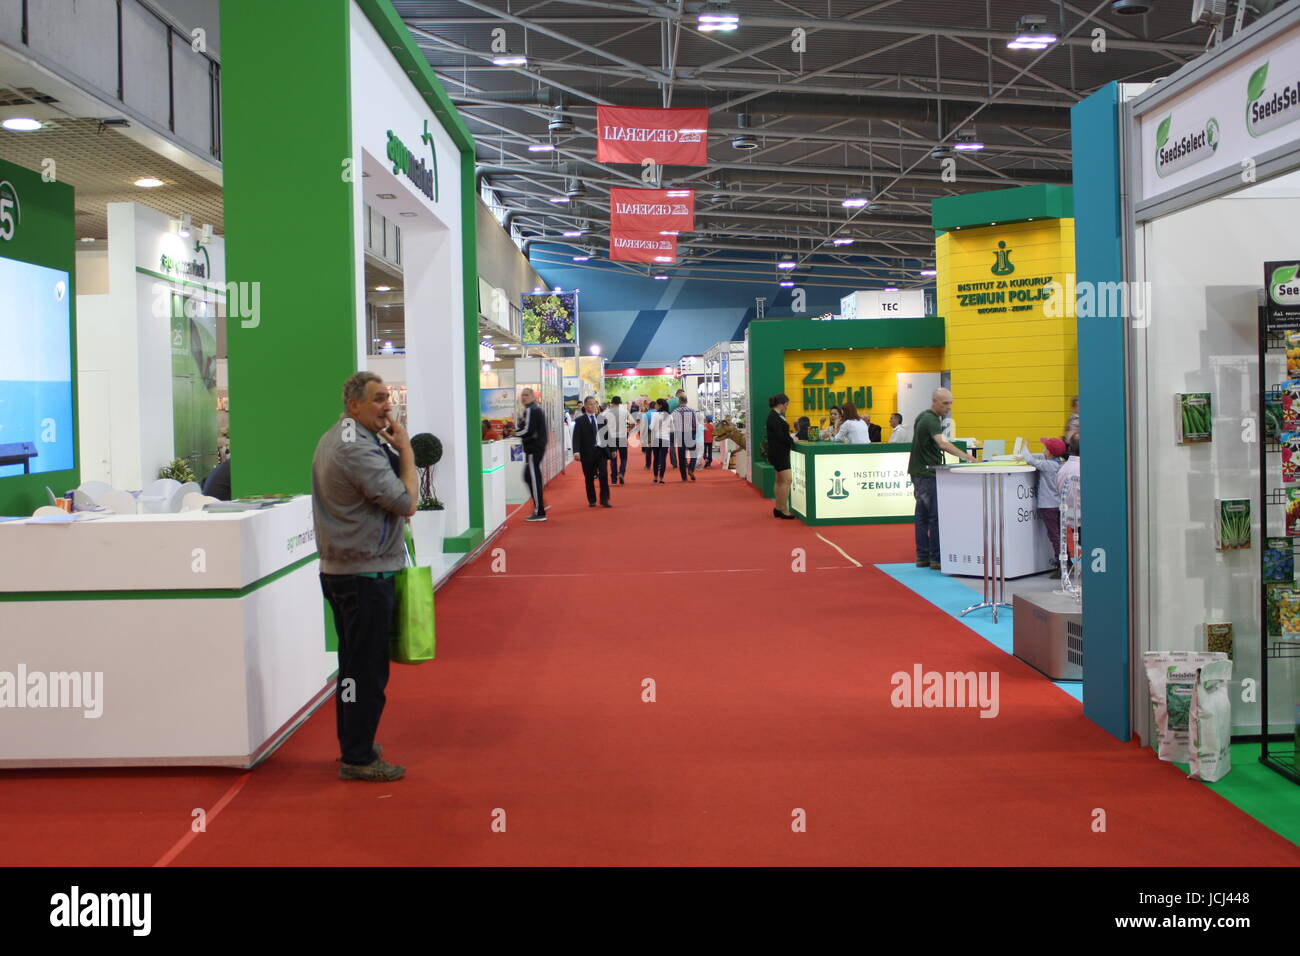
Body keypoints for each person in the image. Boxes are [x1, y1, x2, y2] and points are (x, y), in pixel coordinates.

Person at [312, 371, 417, 782]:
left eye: (387, 398)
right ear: (352, 404)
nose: (385, 406)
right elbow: (405, 501)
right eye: (376, 399)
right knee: (366, 670)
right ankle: (357, 756)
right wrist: (405, 451)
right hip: (364, 574)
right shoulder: (355, 449)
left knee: (353, 666)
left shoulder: (341, 438)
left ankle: (354, 744)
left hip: (348, 570)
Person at [907, 388, 976, 570]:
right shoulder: (931, 420)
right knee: (934, 517)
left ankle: (922, 556)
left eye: (950, 403)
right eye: (945, 403)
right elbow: (942, 444)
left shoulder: (922, 417)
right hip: (928, 474)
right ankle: (936, 558)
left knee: (922, 516)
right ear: (935, 401)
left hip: (918, 472)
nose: (948, 407)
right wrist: (967, 456)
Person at [1026, 437, 1068, 575]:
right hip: (1059, 504)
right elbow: (1038, 458)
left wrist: (1024, 447)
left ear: (1049, 453)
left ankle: (1061, 564)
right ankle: (1065, 560)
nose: (1043, 450)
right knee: (1060, 534)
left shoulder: (1048, 466)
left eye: (1045, 448)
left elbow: (1031, 460)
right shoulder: (1060, 464)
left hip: (1048, 505)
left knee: (1053, 535)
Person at [515, 387, 549, 522]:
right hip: (535, 447)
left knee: (533, 478)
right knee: (529, 476)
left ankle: (539, 511)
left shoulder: (531, 410)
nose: (524, 397)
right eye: (522, 395)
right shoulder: (532, 409)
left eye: (526, 395)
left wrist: (513, 433)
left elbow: (528, 430)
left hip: (534, 448)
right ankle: (540, 503)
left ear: (533, 397)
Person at [572, 396, 612, 508]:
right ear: (585, 406)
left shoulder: (601, 418)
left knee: (603, 475)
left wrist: (612, 449)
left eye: (594, 404)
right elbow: (576, 437)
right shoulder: (580, 421)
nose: (593, 406)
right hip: (587, 453)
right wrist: (576, 452)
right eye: (590, 404)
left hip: (601, 451)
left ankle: (604, 499)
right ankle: (592, 499)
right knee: (589, 477)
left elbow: (607, 435)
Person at [767, 393, 796, 519]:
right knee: (787, 480)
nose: (787, 407)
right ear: (781, 404)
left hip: (777, 452)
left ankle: (778, 508)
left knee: (780, 481)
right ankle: (783, 509)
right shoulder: (775, 417)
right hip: (779, 452)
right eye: (786, 404)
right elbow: (781, 436)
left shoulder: (774, 416)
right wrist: (792, 440)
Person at [671, 393, 701, 482]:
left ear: (679, 402)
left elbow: (671, 424)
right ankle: (691, 469)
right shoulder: (692, 411)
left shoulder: (674, 412)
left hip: (679, 435)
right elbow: (696, 424)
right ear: (687, 401)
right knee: (693, 453)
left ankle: (684, 477)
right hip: (690, 433)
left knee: (681, 456)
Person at [603, 395, 630, 485]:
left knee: (613, 459)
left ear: (612, 402)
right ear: (620, 402)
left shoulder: (607, 412)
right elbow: (633, 422)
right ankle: (621, 473)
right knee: (624, 458)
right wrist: (628, 429)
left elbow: (602, 423)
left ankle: (614, 479)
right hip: (622, 436)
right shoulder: (624, 411)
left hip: (611, 437)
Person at [649, 398, 673, 482]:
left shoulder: (655, 415)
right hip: (665, 439)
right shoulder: (669, 416)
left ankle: (655, 477)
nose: (655, 405)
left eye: (656, 404)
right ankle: (661, 478)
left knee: (656, 458)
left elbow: (651, 427)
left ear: (660, 405)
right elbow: (672, 429)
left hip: (656, 438)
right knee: (663, 459)